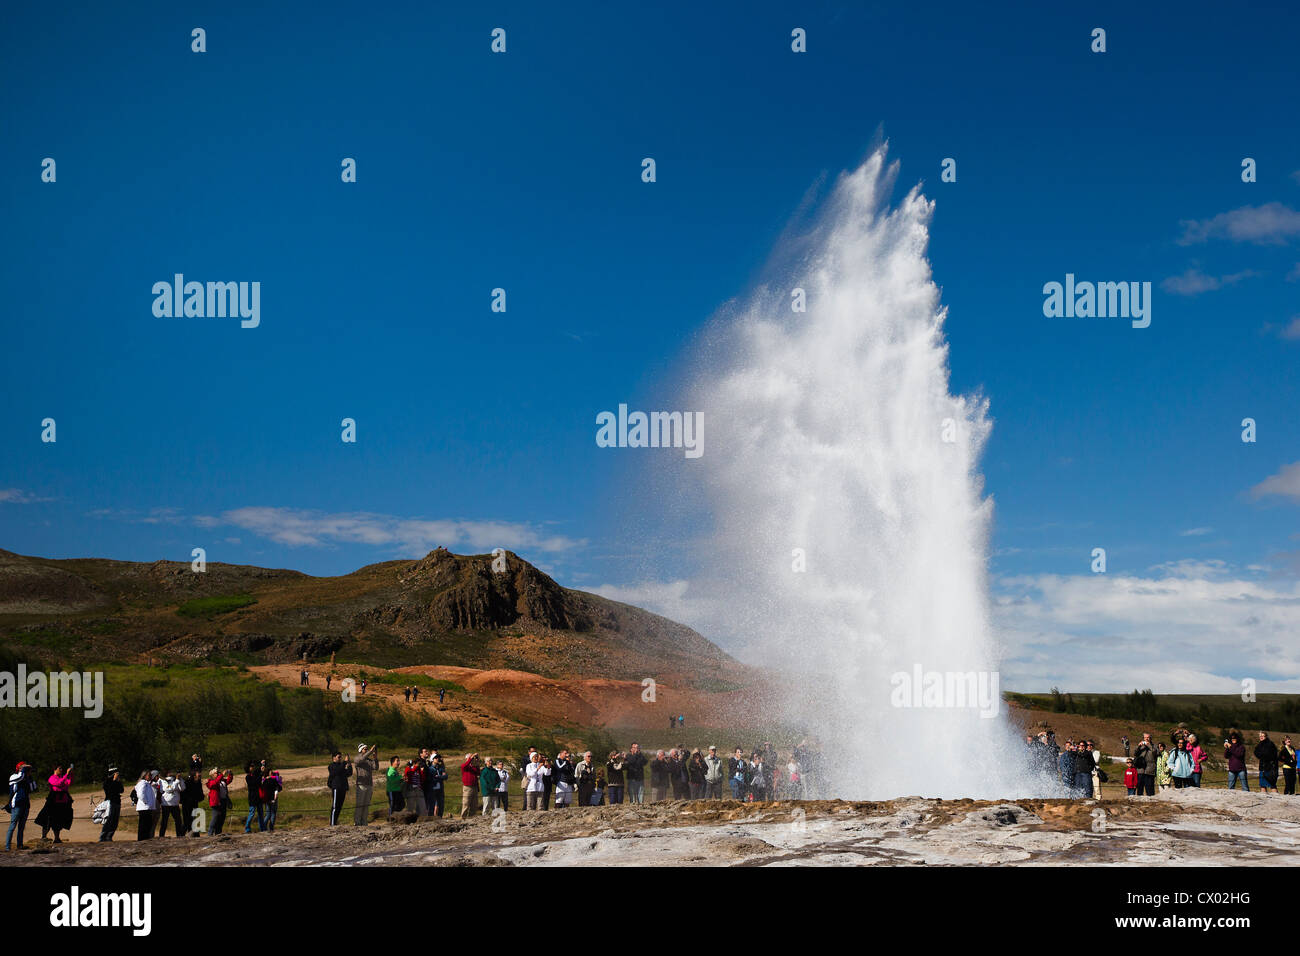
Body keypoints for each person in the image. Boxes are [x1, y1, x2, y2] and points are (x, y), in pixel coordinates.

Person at [35, 764, 74, 842]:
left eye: (61, 768)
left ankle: (57, 838)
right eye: (59, 768)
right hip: (53, 801)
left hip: (62, 801)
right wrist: (66, 775)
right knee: (47, 819)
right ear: (55, 769)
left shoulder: (62, 777)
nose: (61, 770)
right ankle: (44, 837)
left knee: (58, 820)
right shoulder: (52, 778)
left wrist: (70, 775)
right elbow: (58, 783)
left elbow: (68, 783)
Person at [6, 761, 38, 851]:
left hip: (25, 805)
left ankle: (19, 845)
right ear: (19, 769)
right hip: (17, 804)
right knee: (12, 826)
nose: (26, 770)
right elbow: (20, 777)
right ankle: (7, 846)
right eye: (22, 768)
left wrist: (30, 777)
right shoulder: (14, 776)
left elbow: (34, 788)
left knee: (21, 827)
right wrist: (24, 769)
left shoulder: (26, 778)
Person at [354, 743, 379, 826]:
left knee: (366, 805)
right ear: (360, 750)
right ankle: (357, 822)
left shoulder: (368, 760)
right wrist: (371, 751)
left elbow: (376, 767)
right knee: (360, 804)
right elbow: (361, 759)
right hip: (361, 785)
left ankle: (364, 822)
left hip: (369, 784)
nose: (367, 750)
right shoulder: (357, 758)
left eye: (367, 749)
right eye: (365, 749)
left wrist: (375, 758)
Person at [158, 771, 186, 837]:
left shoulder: (176, 780)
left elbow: (182, 788)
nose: (171, 773)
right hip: (166, 805)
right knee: (164, 821)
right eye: (169, 772)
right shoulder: (162, 781)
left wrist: (180, 780)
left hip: (175, 804)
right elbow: (168, 789)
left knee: (178, 821)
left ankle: (179, 835)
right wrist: (176, 781)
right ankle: (161, 836)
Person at [327, 751, 352, 826]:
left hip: (343, 788)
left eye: (341, 757)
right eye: (339, 757)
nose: (340, 758)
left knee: (339, 806)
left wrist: (349, 764)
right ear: (334, 758)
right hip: (336, 788)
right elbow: (337, 771)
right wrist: (344, 762)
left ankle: (335, 821)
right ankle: (332, 823)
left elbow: (348, 773)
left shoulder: (342, 765)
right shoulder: (331, 766)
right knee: (335, 806)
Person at [133, 770, 157, 840]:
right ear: (144, 776)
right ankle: (141, 839)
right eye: (149, 775)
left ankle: (145, 838)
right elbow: (140, 794)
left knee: (147, 825)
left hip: (147, 807)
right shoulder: (142, 783)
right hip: (144, 807)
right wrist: (146, 802)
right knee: (144, 825)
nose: (150, 776)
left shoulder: (147, 783)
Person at [243, 761, 266, 833]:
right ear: (248, 768)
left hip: (259, 797)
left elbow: (260, 769)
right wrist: (261, 774)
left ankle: (262, 828)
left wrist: (262, 764)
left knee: (261, 813)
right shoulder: (248, 777)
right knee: (252, 813)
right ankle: (247, 828)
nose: (253, 767)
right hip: (252, 797)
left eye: (253, 766)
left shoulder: (255, 774)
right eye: (251, 766)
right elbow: (254, 783)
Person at [205, 770, 229, 835]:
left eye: (218, 773)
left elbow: (228, 781)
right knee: (215, 817)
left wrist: (230, 774)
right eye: (216, 773)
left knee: (221, 817)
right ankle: (210, 833)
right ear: (212, 775)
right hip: (215, 802)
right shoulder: (210, 781)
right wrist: (222, 775)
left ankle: (218, 832)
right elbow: (215, 783)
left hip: (221, 801)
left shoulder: (220, 780)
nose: (218, 774)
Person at [426, 752, 447, 818]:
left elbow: (446, 776)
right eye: (436, 758)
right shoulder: (430, 769)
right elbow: (430, 778)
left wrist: (438, 777)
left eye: (438, 758)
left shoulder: (440, 768)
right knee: (432, 805)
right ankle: (430, 818)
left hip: (440, 789)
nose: (437, 759)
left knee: (441, 804)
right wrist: (440, 777)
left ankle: (440, 817)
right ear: (432, 759)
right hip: (432, 789)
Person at [460, 753, 482, 818]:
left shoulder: (474, 767)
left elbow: (478, 772)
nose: (472, 759)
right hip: (467, 787)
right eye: (470, 757)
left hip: (474, 786)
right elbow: (465, 765)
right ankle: (463, 817)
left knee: (474, 804)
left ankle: (471, 817)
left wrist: (477, 760)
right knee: (466, 803)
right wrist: (471, 758)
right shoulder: (464, 766)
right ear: (467, 758)